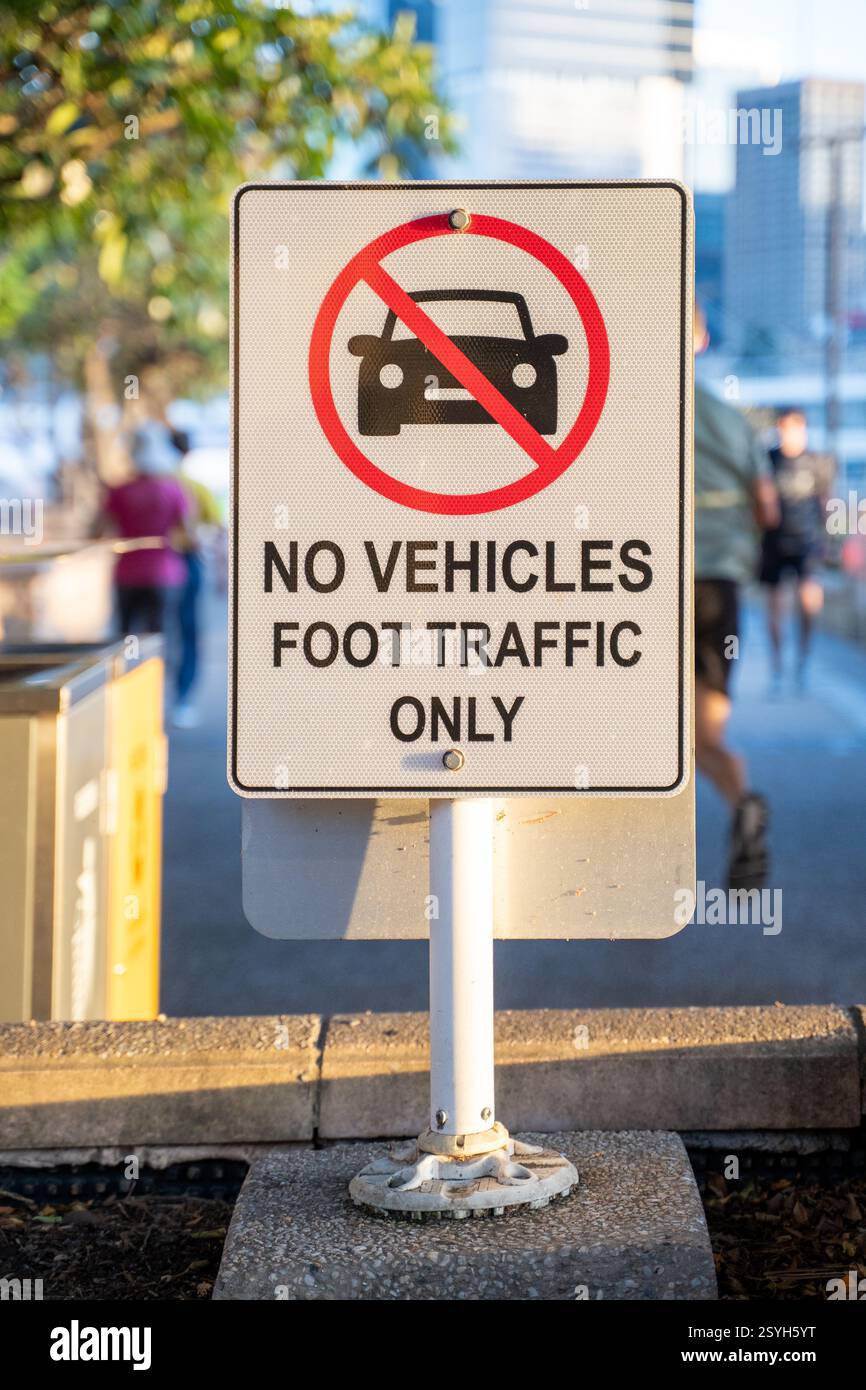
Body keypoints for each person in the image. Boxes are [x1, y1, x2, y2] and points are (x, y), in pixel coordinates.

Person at [693, 305, 780, 889]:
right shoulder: (732, 418)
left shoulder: (620, 412)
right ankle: (740, 797)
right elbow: (768, 508)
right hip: (718, 584)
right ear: (700, 336)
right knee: (705, 729)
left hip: (634, 581)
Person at [760, 407, 834, 690]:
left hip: (807, 544)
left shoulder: (817, 461)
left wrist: (832, 542)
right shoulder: (769, 459)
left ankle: (802, 663)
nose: (787, 433)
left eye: (792, 427)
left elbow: (826, 503)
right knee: (776, 612)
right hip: (773, 544)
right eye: (783, 427)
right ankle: (777, 667)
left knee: (808, 603)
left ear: (802, 429)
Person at [98, 421, 191, 636]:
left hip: (127, 574)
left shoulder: (119, 492)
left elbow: (98, 530)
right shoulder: (174, 490)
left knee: (124, 639)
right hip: (164, 574)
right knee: (158, 640)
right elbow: (188, 533)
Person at [167, 427, 224, 728]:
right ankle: (183, 699)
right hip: (186, 565)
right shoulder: (194, 486)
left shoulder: (148, 484)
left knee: (150, 635)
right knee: (188, 632)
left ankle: (143, 699)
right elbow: (217, 529)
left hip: (140, 570)